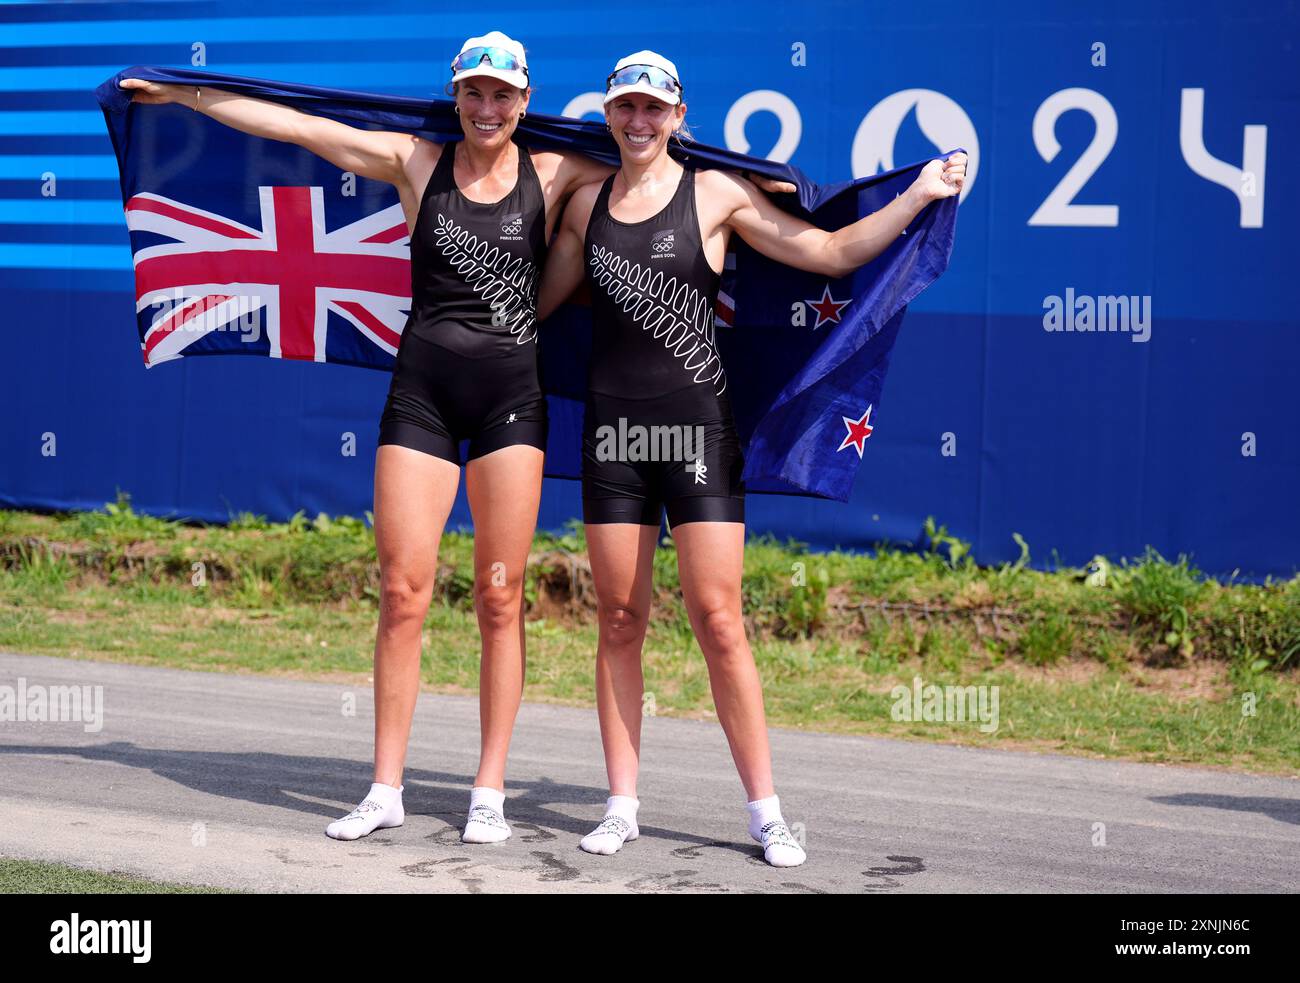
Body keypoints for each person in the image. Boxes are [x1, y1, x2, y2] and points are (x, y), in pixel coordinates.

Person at [122, 31, 618, 844]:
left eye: (502, 94)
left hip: (510, 405)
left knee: (499, 595)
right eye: (474, 93)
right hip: (422, 394)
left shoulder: (558, 172)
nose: (487, 108)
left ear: (526, 102)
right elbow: (294, 127)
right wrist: (185, 94)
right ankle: (385, 786)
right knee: (402, 593)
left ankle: (486, 789)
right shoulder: (414, 161)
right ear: (456, 96)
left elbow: (661, 174)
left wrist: (759, 185)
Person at [536, 50, 967, 867]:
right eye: (624, 108)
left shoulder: (717, 195)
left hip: (698, 435)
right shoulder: (585, 204)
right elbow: (534, 308)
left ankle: (767, 812)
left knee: (720, 621)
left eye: (653, 109)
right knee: (620, 621)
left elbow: (833, 255)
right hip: (615, 439)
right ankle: (621, 805)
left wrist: (920, 193)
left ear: (678, 116)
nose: (637, 122)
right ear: (610, 114)